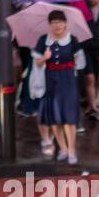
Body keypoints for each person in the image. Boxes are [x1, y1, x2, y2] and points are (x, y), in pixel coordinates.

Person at [33, 10, 84, 164]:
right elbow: (37, 63)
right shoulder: (43, 40)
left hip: (68, 80)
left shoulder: (73, 40)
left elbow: (80, 62)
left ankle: (72, 150)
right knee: (55, 118)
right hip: (50, 80)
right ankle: (62, 148)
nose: (57, 25)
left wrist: (72, 69)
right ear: (49, 25)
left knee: (69, 118)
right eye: (53, 22)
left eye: (60, 22)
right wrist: (44, 57)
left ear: (65, 23)